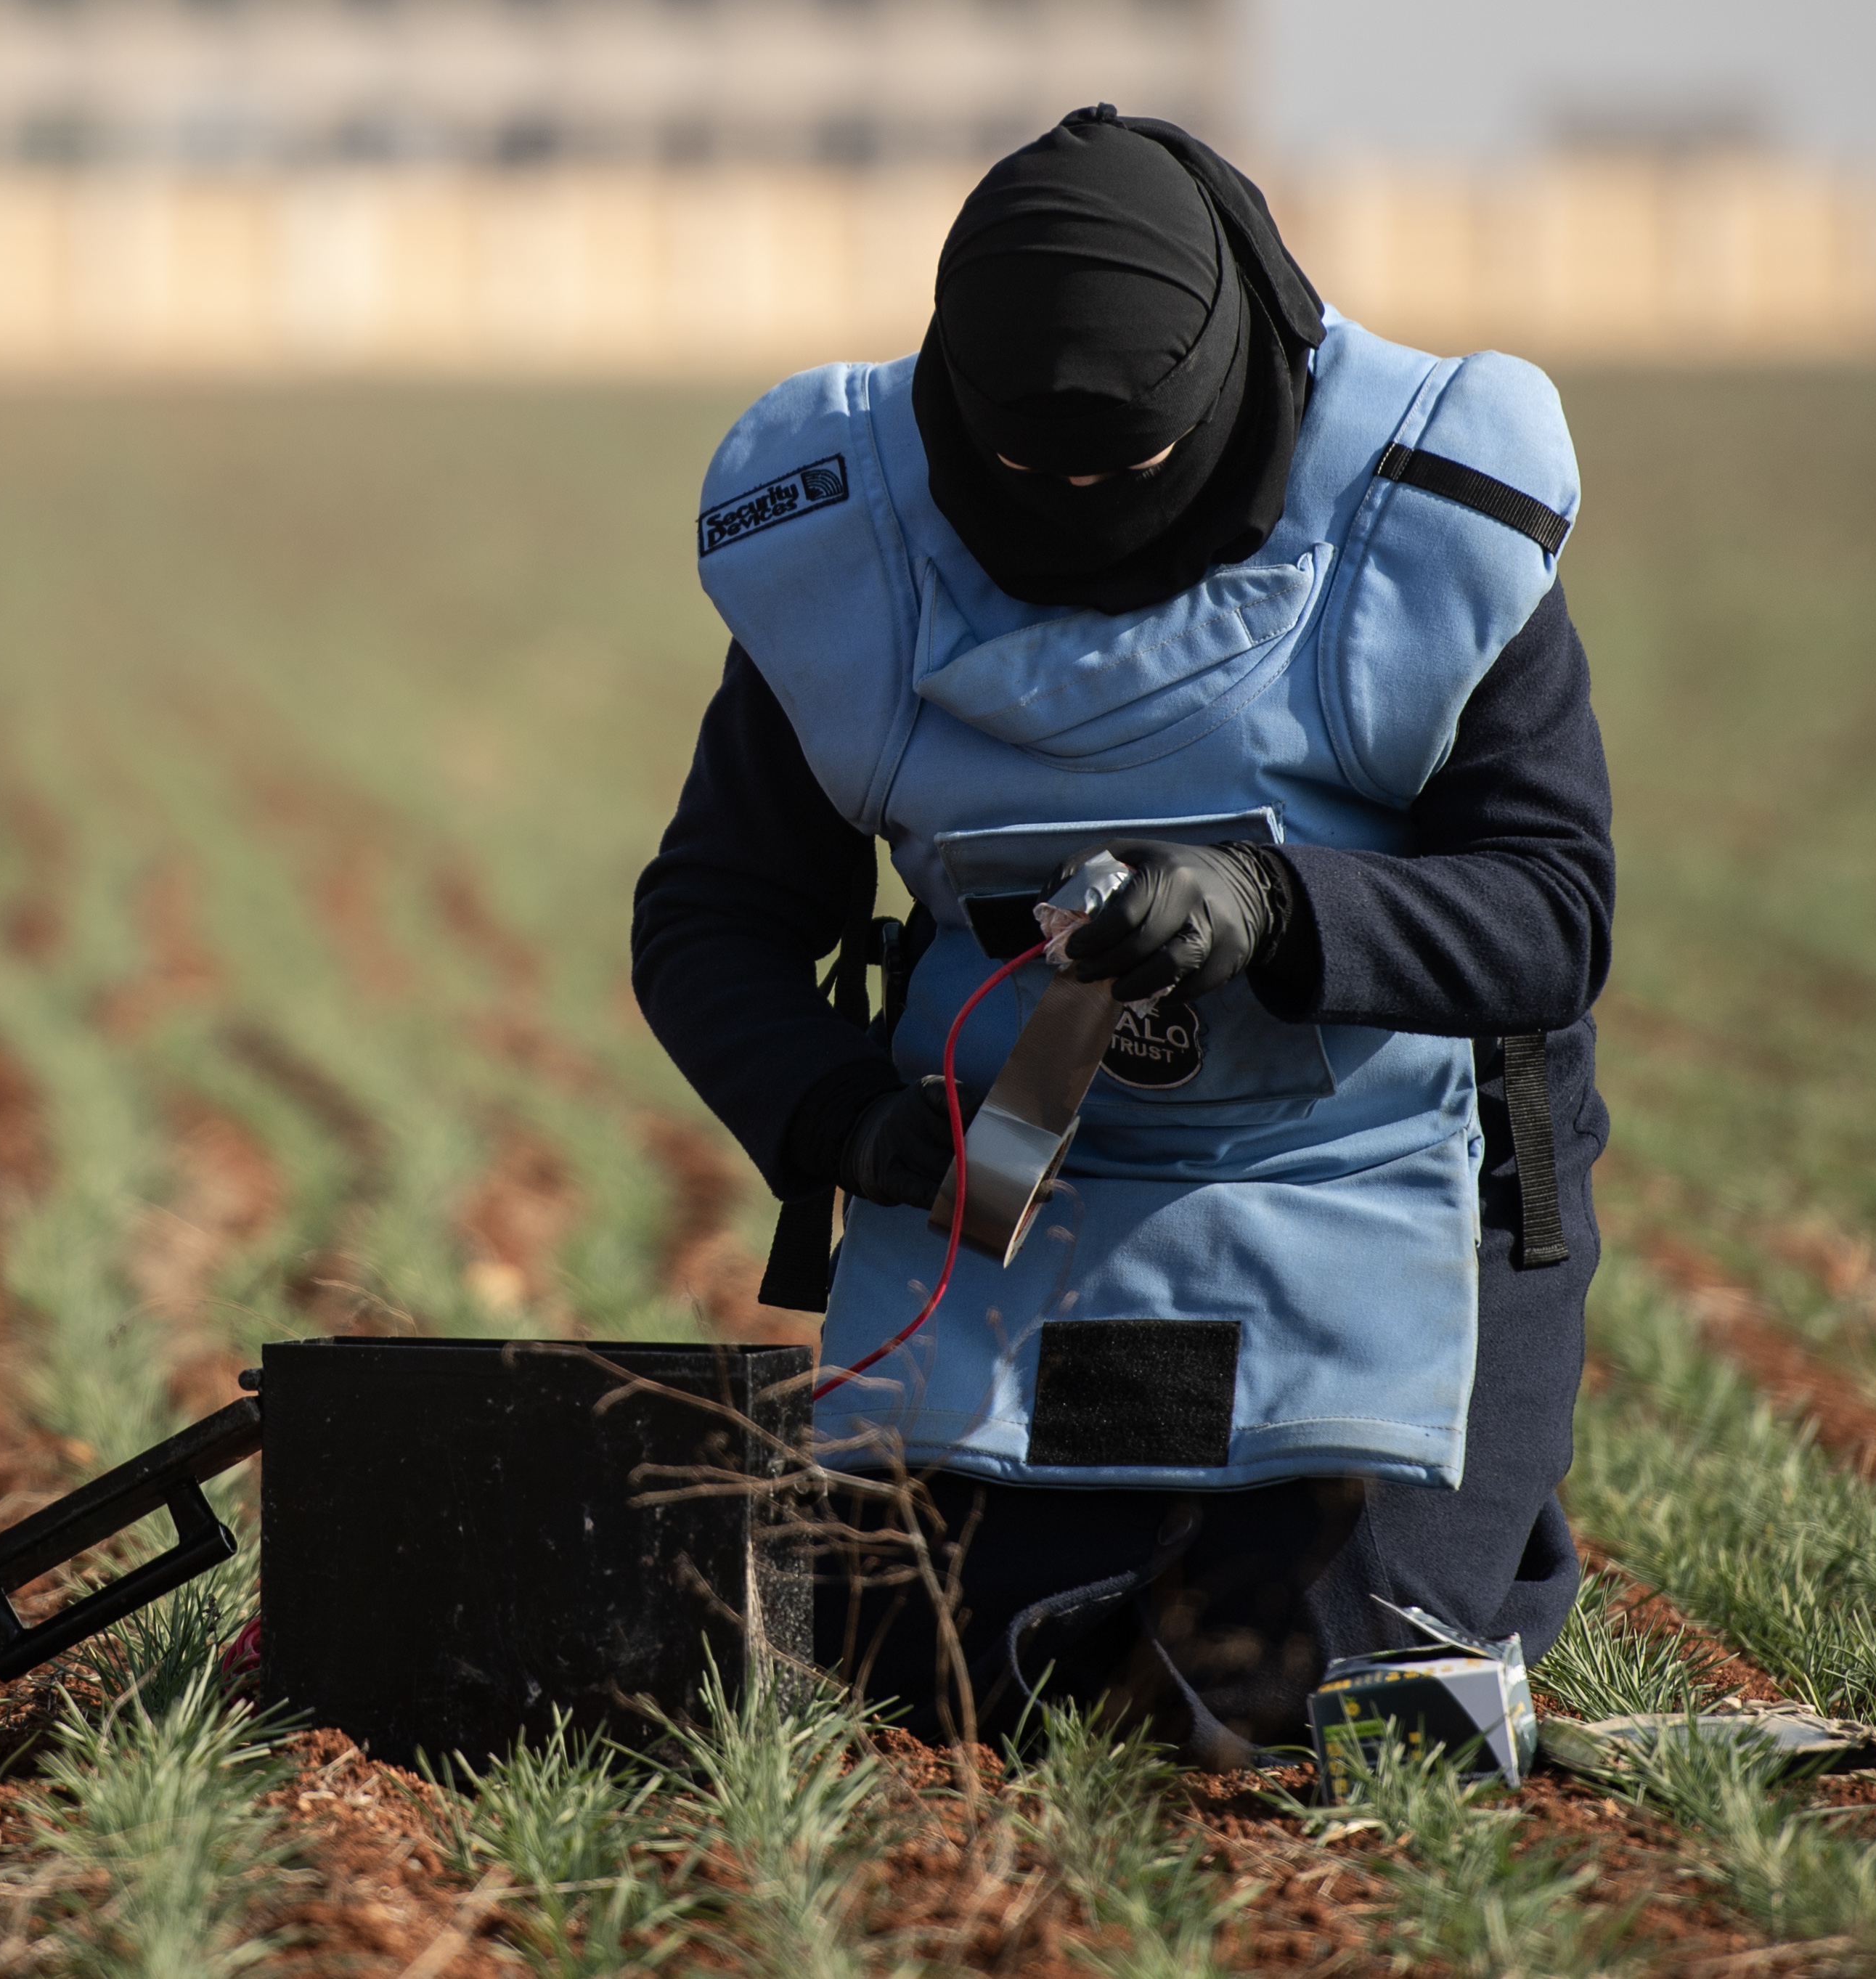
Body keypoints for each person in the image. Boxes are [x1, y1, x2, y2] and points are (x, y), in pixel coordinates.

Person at [631, 105, 1612, 1756]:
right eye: (1028, 469)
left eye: (1129, 464)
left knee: (1296, 1698)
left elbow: (1550, 910)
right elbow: (712, 920)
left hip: (1378, 1185)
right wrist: (856, 1124)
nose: (1080, 501)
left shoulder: (1430, 513)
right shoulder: (850, 547)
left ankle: (1421, 1555)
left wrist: (1277, 906)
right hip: (1022, 1208)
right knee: (958, 1676)